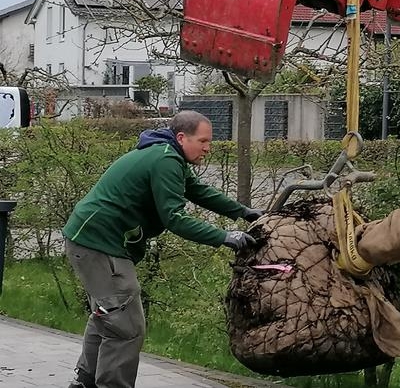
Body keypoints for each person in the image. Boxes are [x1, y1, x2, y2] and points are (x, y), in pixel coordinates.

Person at [61, 110, 261, 388]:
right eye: (202, 141)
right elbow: (175, 219)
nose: (208, 147)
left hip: (91, 239)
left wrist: (243, 212)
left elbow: (198, 190)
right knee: (126, 327)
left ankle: (84, 382)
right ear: (182, 137)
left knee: (108, 316)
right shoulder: (166, 159)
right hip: (100, 245)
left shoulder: (167, 155)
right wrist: (225, 237)